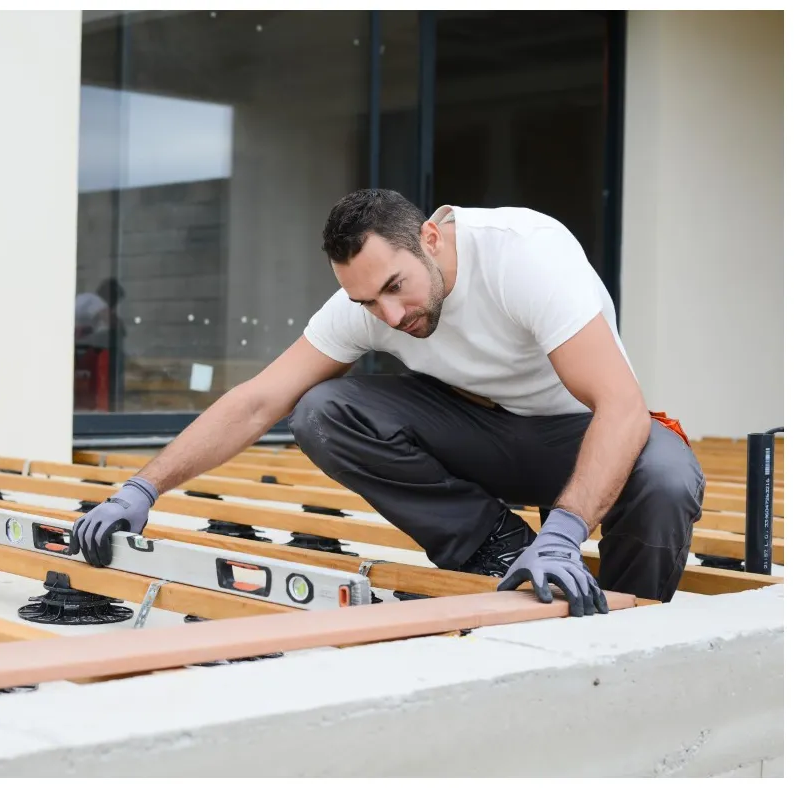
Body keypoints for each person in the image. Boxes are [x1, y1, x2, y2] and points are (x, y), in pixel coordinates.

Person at [73, 189, 705, 614]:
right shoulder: (371, 301)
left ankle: (622, 619)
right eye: (368, 302)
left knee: (669, 477)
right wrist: (142, 488)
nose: (390, 315)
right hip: (484, 438)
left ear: (430, 237)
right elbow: (259, 400)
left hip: (579, 436)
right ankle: (499, 548)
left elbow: (621, 405)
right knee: (323, 409)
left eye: (395, 288)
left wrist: (566, 531)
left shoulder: (523, 254)